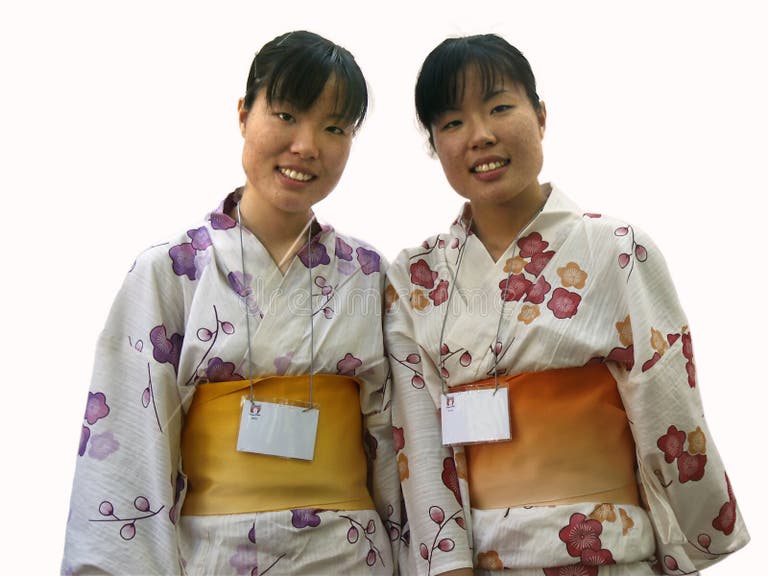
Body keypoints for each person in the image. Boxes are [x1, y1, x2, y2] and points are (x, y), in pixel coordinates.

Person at [384, 34, 749, 575]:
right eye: (452, 123)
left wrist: (690, 533)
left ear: (541, 115)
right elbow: (417, 435)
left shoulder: (617, 251)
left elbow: (669, 403)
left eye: (500, 108)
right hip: (478, 560)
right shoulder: (415, 277)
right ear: (435, 145)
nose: (479, 136)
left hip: (609, 552)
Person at [62, 30, 402, 575]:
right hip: (214, 557)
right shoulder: (171, 272)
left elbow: (393, 444)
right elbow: (128, 443)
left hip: (351, 556)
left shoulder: (368, 276)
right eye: (287, 115)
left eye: (334, 127)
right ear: (244, 114)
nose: (307, 145)